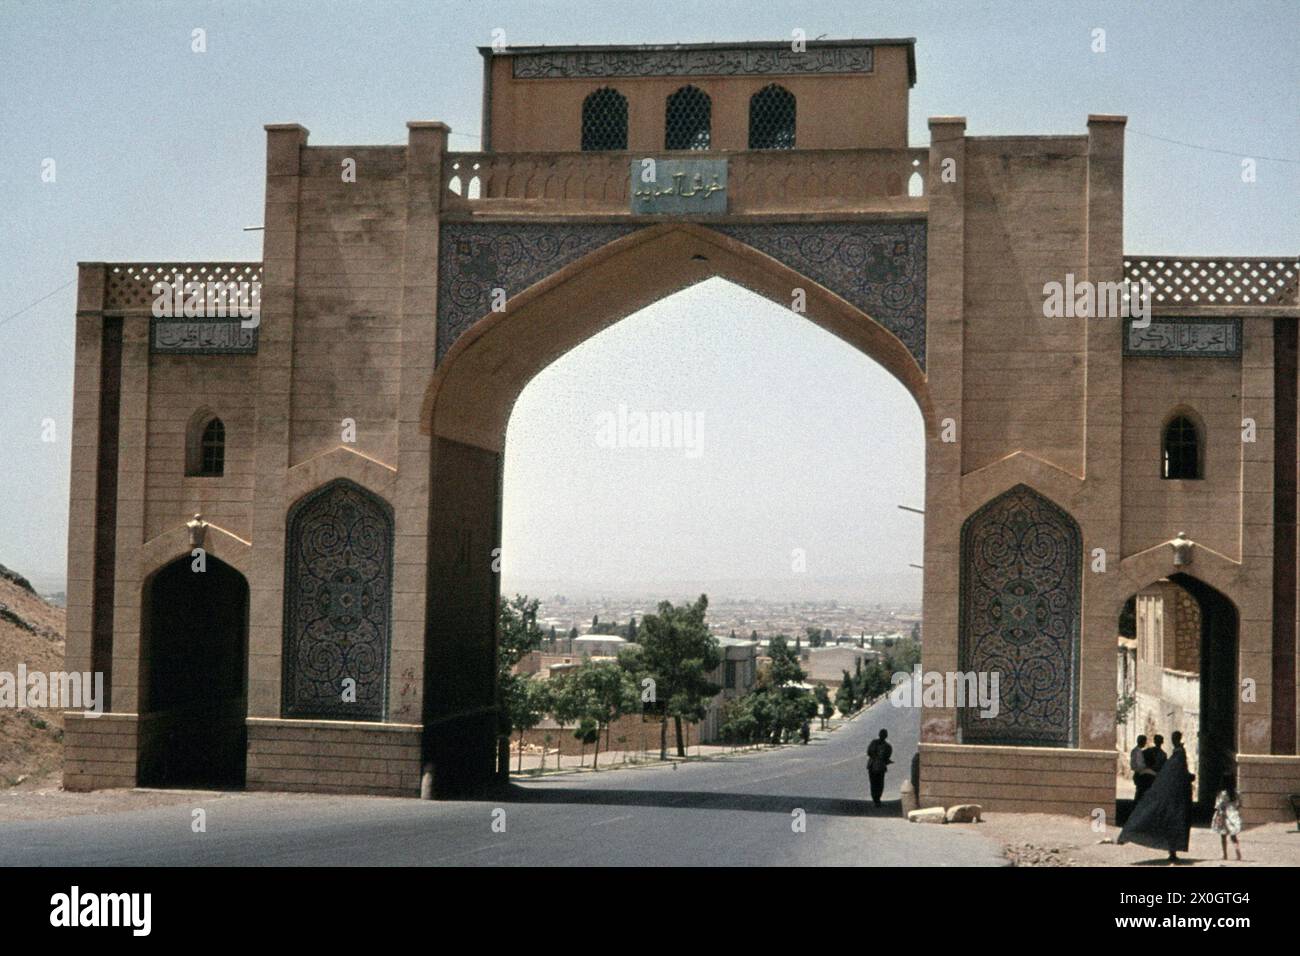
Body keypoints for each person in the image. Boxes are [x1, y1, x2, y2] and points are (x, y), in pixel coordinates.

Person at [1119, 731, 1194, 862]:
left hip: (1169, 790)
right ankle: (1172, 851)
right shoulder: (1172, 755)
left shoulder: (1174, 754)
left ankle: (1172, 851)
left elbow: (1174, 772)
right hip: (1165, 789)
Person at [1210, 773, 1243, 861]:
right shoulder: (1237, 792)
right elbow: (1240, 804)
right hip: (1233, 813)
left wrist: (1218, 816)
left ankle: (1224, 854)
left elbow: (1219, 805)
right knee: (1233, 836)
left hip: (1224, 814)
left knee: (1223, 835)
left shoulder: (1222, 793)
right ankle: (1238, 853)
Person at [866, 729, 893, 808]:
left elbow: (869, 752)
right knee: (877, 783)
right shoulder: (886, 746)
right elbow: (869, 752)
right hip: (876, 766)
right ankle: (876, 798)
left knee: (876, 783)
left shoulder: (881, 745)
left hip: (876, 766)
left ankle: (876, 798)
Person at [1131, 734, 1156, 802]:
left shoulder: (1137, 751)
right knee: (1140, 791)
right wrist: (1146, 767)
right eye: (1144, 741)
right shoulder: (1137, 752)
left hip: (1139, 773)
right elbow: (1138, 765)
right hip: (1140, 773)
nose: (1145, 743)